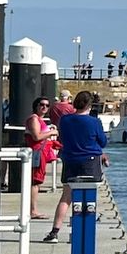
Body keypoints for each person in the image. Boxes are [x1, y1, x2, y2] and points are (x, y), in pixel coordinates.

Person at [44, 91, 109, 242]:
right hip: (90, 162)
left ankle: (54, 232)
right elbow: (103, 142)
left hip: (70, 160)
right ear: (89, 105)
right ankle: (84, 231)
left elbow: (62, 137)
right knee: (89, 197)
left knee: (66, 197)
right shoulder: (94, 122)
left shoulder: (65, 120)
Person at [25, 97, 59, 219]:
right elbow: (36, 136)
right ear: (36, 106)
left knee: (37, 182)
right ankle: (33, 211)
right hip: (36, 153)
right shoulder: (34, 119)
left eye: (47, 105)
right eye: (42, 104)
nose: (44, 107)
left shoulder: (40, 119)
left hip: (41, 153)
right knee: (35, 182)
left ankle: (33, 209)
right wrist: (51, 133)